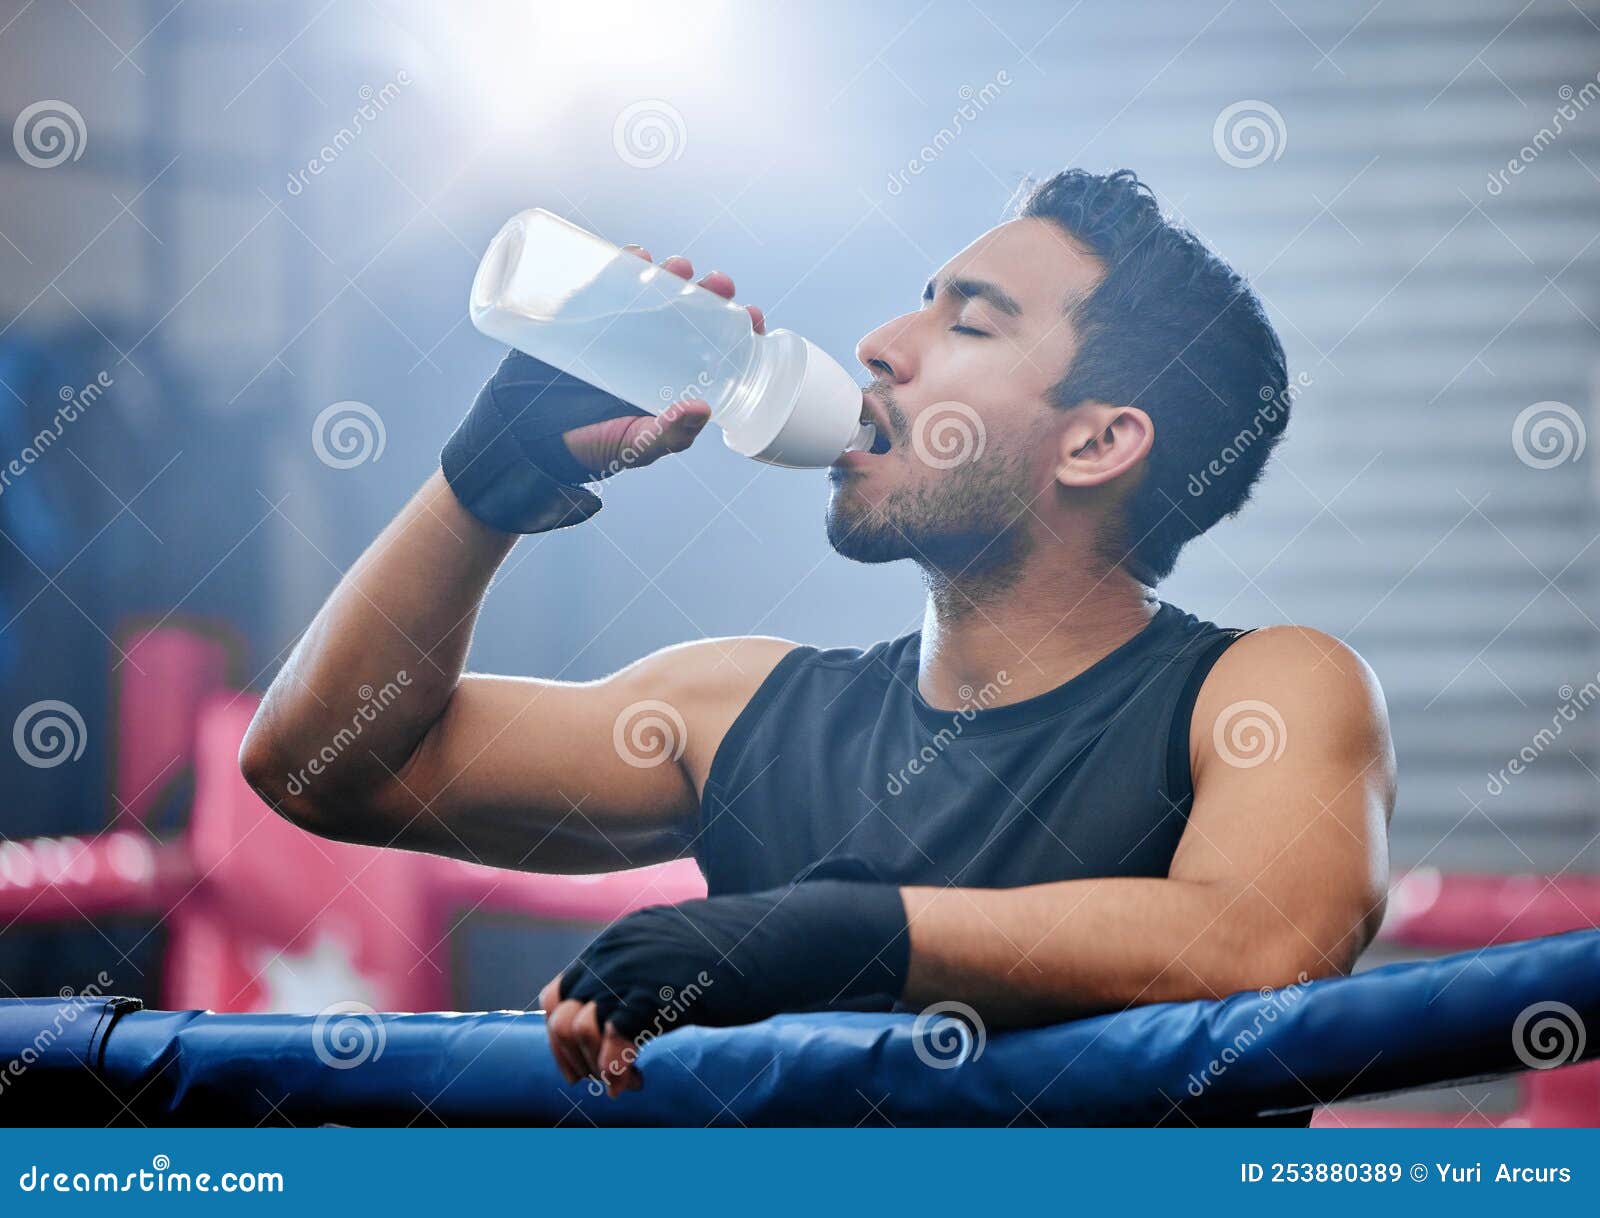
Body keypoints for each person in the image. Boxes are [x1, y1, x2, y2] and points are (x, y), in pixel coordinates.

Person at [240, 168, 1395, 1103]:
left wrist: (836, 933)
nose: (883, 344)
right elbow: (322, 769)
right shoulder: (744, 709)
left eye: (971, 323)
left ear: (1094, 446)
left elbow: (1262, 946)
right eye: (918, 300)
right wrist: (485, 487)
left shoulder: (1265, 688)